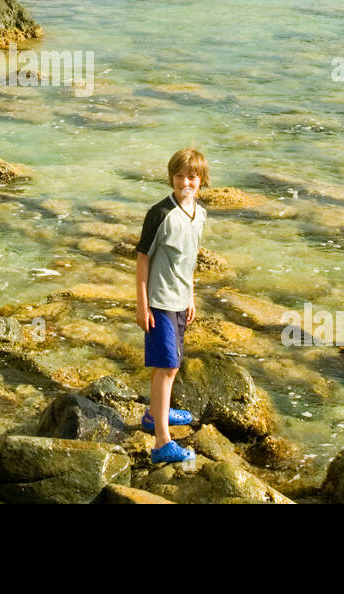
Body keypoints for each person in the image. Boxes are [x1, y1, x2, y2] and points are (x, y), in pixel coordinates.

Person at [135, 146, 209, 464]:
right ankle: (161, 442)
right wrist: (142, 305)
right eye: (179, 176)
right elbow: (142, 259)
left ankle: (155, 413)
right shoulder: (160, 215)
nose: (185, 182)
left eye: (192, 177)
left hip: (180, 301)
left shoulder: (199, 214)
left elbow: (189, 260)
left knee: (173, 363)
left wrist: (191, 296)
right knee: (166, 367)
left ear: (201, 180)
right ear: (171, 178)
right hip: (160, 302)